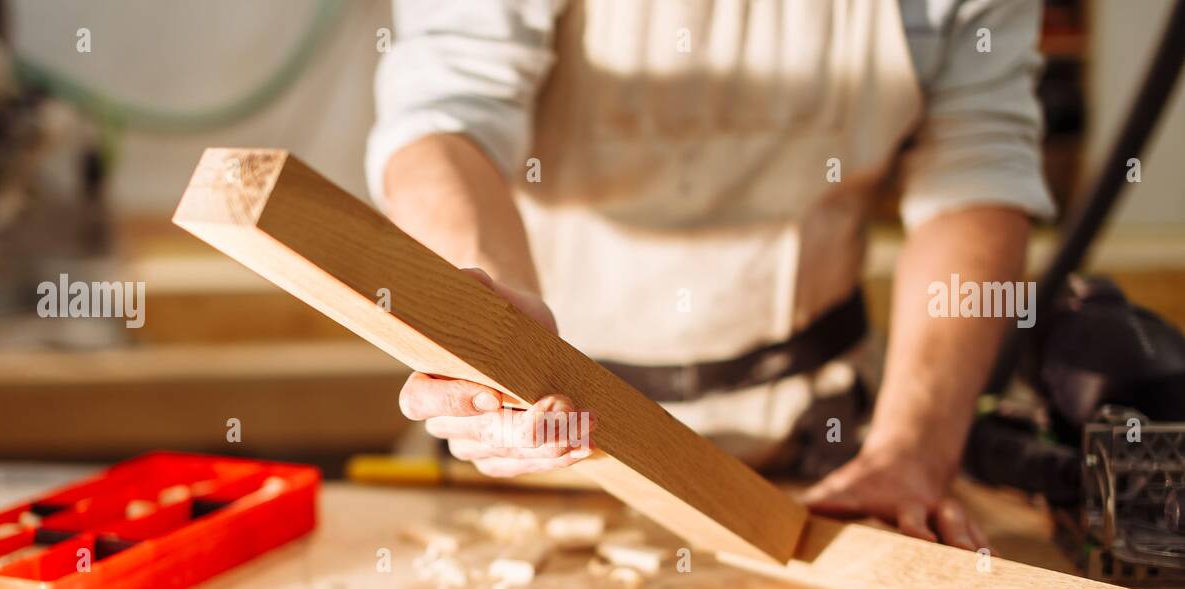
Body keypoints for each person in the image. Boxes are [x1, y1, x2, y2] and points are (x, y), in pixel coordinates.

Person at [367, 0, 1054, 550]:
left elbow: (976, 179)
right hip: (535, 435)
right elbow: (443, 126)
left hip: (815, 441)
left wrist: (913, 448)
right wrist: (499, 343)